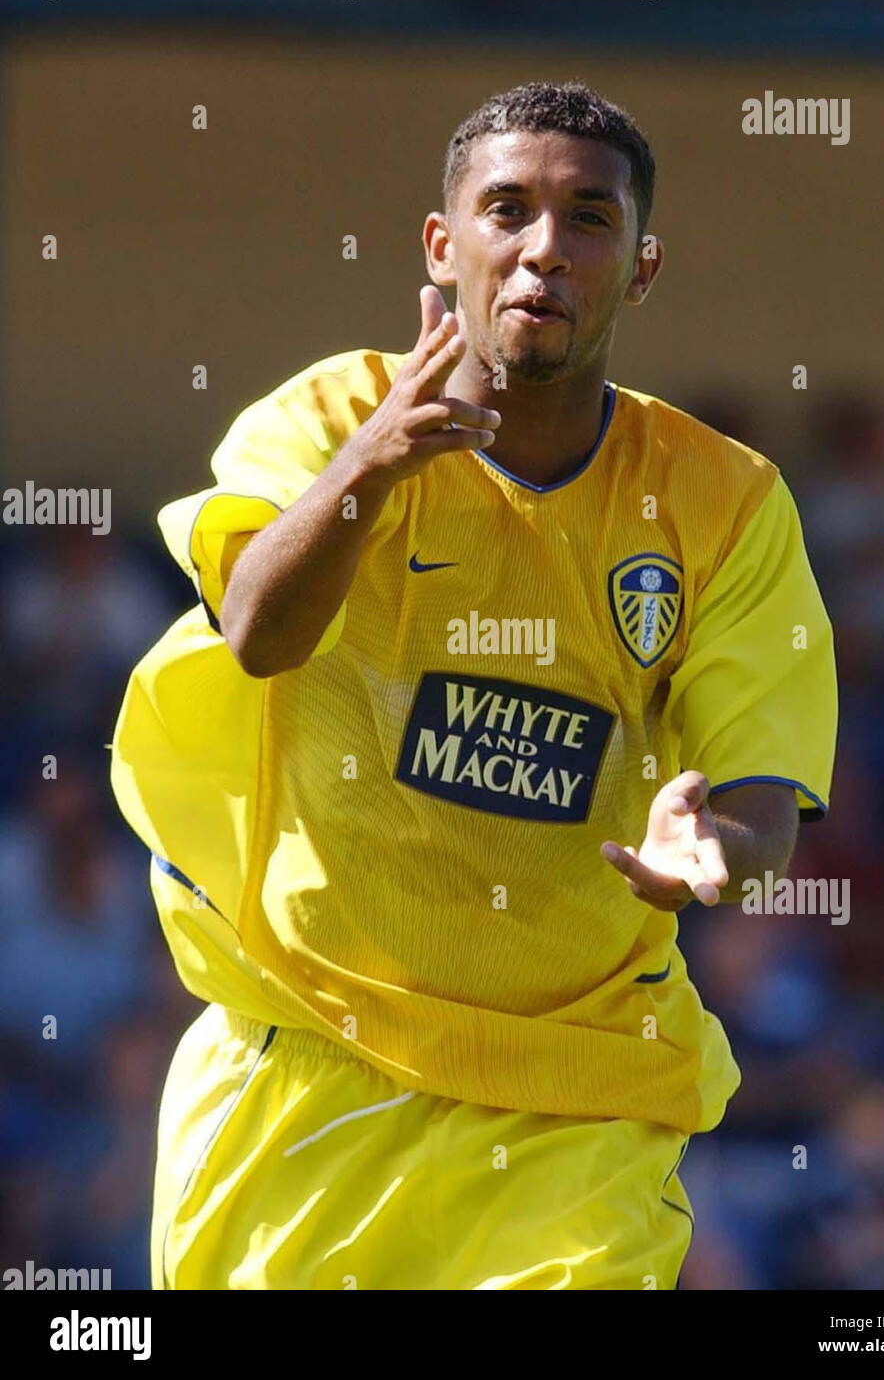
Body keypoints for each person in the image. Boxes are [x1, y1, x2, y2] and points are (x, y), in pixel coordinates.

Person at [111, 80, 837, 1290]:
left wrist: (711, 845)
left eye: (589, 218)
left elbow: (762, 799)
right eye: (508, 209)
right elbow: (258, 634)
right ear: (444, 247)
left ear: (640, 268)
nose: (545, 248)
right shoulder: (328, 418)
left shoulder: (727, 503)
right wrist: (378, 460)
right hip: (305, 1064)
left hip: (578, 1094)